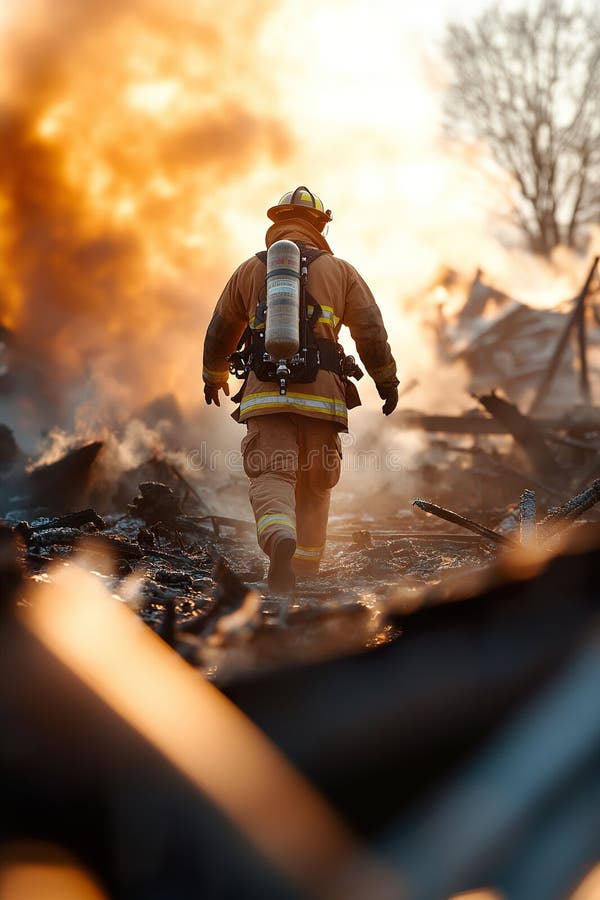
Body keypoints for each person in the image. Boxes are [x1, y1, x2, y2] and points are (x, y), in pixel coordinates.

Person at [203, 187, 398, 592]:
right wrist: (386, 381)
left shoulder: (250, 270)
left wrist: (213, 375)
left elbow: (220, 330)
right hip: (323, 399)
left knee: (272, 474)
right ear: (320, 224)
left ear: (276, 223)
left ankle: (279, 540)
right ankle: (306, 567)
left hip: (265, 396)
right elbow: (371, 332)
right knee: (315, 481)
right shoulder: (341, 271)